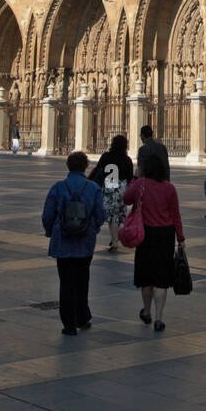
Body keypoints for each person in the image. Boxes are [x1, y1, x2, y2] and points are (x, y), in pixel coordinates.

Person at [41, 151, 104, 335]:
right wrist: (93, 228)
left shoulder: (58, 188)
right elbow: (100, 215)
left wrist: (49, 231)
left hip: (63, 241)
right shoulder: (93, 188)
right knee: (82, 280)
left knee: (66, 282)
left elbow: (48, 215)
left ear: (68, 166)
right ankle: (82, 318)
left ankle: (68, 324)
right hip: (85, 242)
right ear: (85, 166)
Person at [123, 154, 185, 333]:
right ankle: (159, 318)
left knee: (146, 276)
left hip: (146, 234)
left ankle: (147, 311)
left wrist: (135, 179)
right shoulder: (169, 188)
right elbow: (176, 215)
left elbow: (126, 199)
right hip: (165, 235)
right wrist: (181, 238)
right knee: (161, 278)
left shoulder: (140, 184)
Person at [90, 134, 134, 252]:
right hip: (122, 188)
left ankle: (114, 240)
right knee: (119, 214)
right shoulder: (126, 159)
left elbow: (99, 170)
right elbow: (130, 177)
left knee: (112, 215)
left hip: (110, 187)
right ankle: (115, 237)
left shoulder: (106, 156)